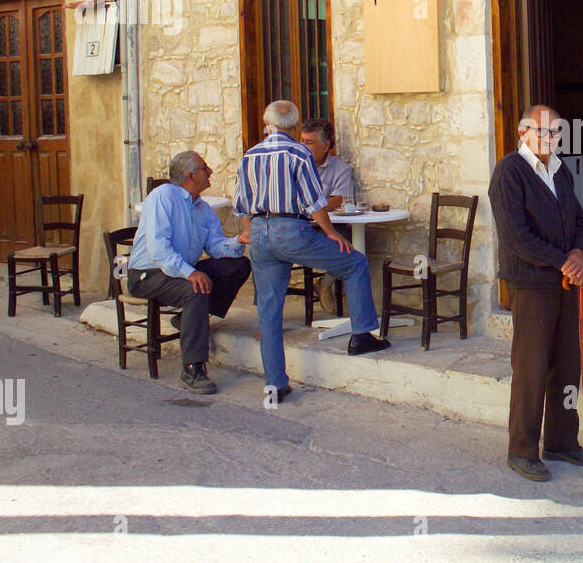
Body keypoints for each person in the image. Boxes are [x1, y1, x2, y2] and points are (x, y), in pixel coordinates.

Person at [234, 101, 388, 404]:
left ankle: (275, 384)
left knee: (268, 309)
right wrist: (331, 233)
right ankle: (361, 335)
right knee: (355, 261)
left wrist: (247, 232)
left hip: (260, 233)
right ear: (294, 125)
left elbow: (241, 201)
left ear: (267, 124)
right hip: (291, 230)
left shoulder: (250, 155)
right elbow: (314, 201)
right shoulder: (298, 153)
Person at [488, 104, 583, 482]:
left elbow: (580, 221)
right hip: (532, 282)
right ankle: (522, 448)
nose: (548, 138)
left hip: (565, 281)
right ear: (523, 132)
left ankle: (562, 440)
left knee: (567, 363)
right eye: (540, 131)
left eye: (554, 132)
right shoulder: (509, 172)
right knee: (532, 366)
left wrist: (579, 254)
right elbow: (516, 236)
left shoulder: (560, 170)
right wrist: (562, 261)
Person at [127, 151, 252, 395]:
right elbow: (159, 249)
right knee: (195, 288)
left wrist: (239, 239)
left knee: (238, 266)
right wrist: (190, 273)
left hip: (179, 269)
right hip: (148, 273)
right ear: (191, 175)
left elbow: (216, 247)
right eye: (205, 168)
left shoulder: (202, 208)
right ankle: (192, 368)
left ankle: (188, 320)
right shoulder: (163, 197)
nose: (211, 172)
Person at [299, 118, 355, 312]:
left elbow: (339, 199)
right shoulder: (295, 165)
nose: (304, 147)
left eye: (310, 142)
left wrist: (312, 207)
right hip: (300, 226)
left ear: (326, 145)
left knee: (349, 241)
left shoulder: (340, 169)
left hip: (327, 226)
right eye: (302, 141)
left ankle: (325, 283)